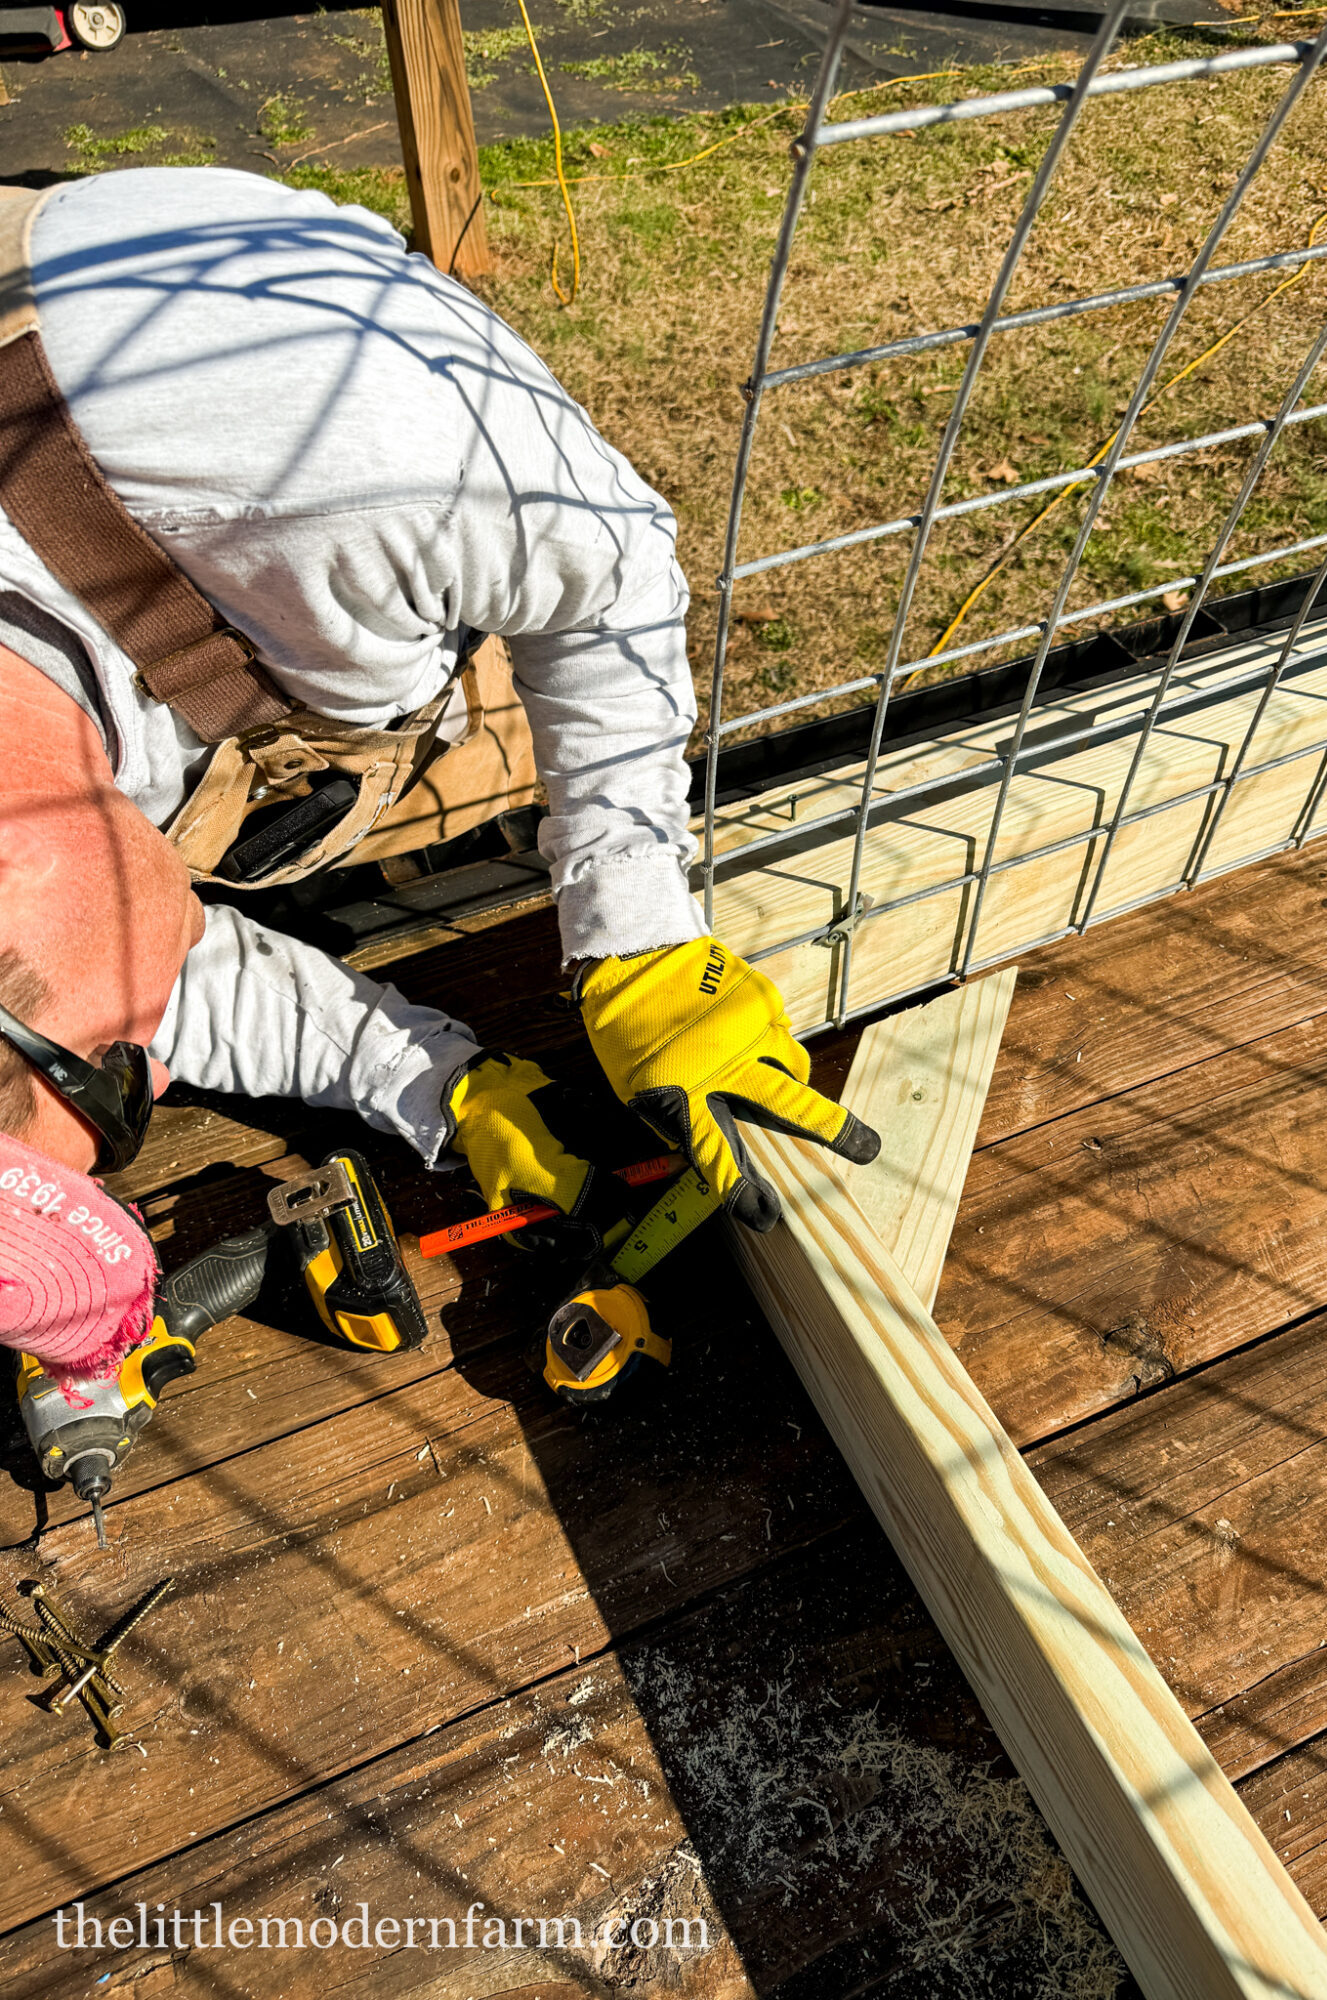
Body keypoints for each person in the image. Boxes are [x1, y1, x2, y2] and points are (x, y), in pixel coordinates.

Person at [0, 166, 877, 1377]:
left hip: (239, 424)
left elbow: (612, 577)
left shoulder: (337, 445)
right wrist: (434, 1082)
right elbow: (146, 983)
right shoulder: (45, 883)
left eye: (118, 1085)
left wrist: (638, 930)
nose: (162, 1060)